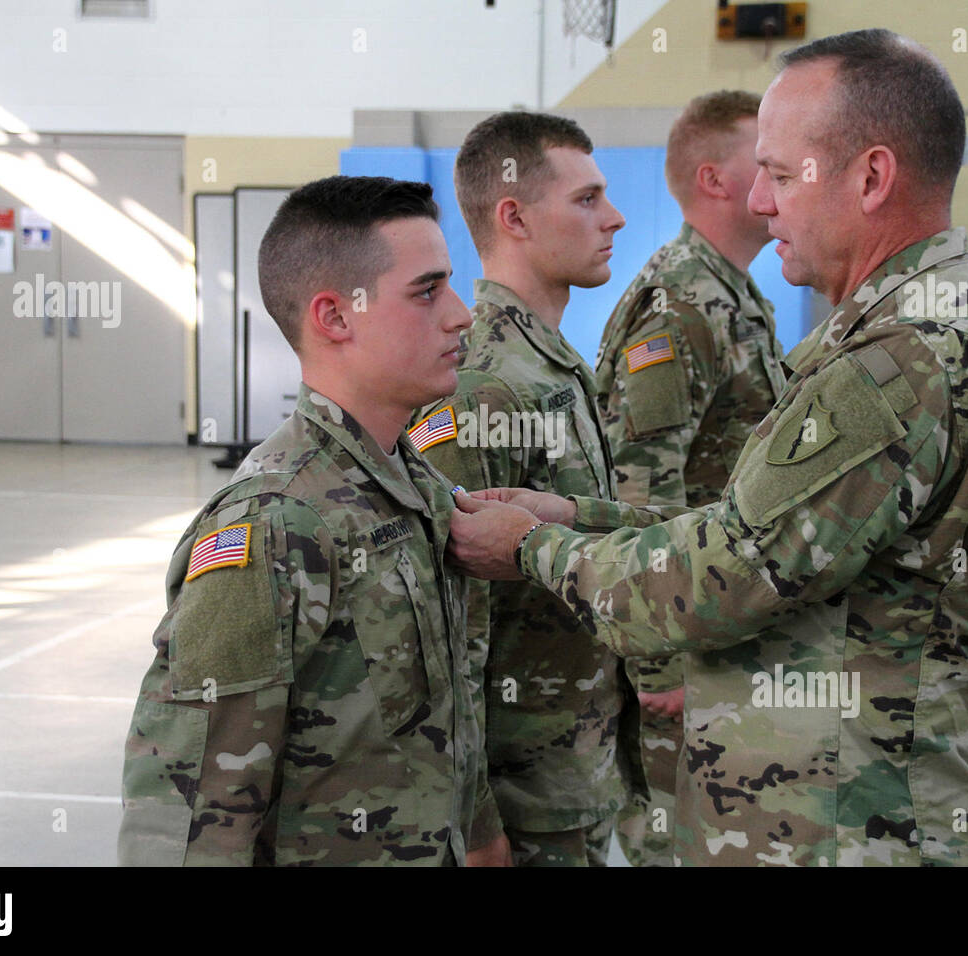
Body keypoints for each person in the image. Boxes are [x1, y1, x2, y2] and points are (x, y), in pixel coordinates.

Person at [447, 29, 968, 867]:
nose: (761, 202)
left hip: (851, 830)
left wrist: (536, 547)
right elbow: (766, 529)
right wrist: (578, 513)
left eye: (780, 172)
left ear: (872, 178)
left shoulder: (899, 362)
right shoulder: (928, 331)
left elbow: (722, 575)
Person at [118, 176, 509, 866]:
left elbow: (445, 709)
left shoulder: (414, 484)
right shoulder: (275, 523)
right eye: (427, 291)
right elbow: (189, 811)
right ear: (335, 316)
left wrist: (479, 837)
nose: (460, 314)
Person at [408, 112, 642, 866]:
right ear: (513, 215)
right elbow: (449, 634)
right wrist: (478, 827)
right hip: (522, 795)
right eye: (587, 199)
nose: (614, 217)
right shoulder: (484, 381)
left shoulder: (551, 366)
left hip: (575, 769)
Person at [593, 89, 786, 867]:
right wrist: (659, 660)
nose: (779, 176)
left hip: (719, 626)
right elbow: (639, 490)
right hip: (685, 641)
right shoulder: (680, 301)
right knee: (674, 839)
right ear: (712, 179)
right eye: (762, 159)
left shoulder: (733, 294)